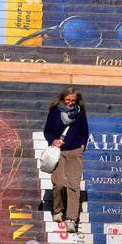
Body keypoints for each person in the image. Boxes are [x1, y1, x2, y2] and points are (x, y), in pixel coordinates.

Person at [43, 88, 89, 232]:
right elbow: (47, 131)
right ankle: (57, 210)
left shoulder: (80, 113)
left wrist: (82, 145)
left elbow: (84, 132)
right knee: (59, 184)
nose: (70, 103)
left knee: (73, 185)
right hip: (58, 151)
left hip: (75, 151)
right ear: (62, 99)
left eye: (73, 101)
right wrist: (53, 140)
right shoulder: (55, 112)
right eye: (67, 100)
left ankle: (71, 219)